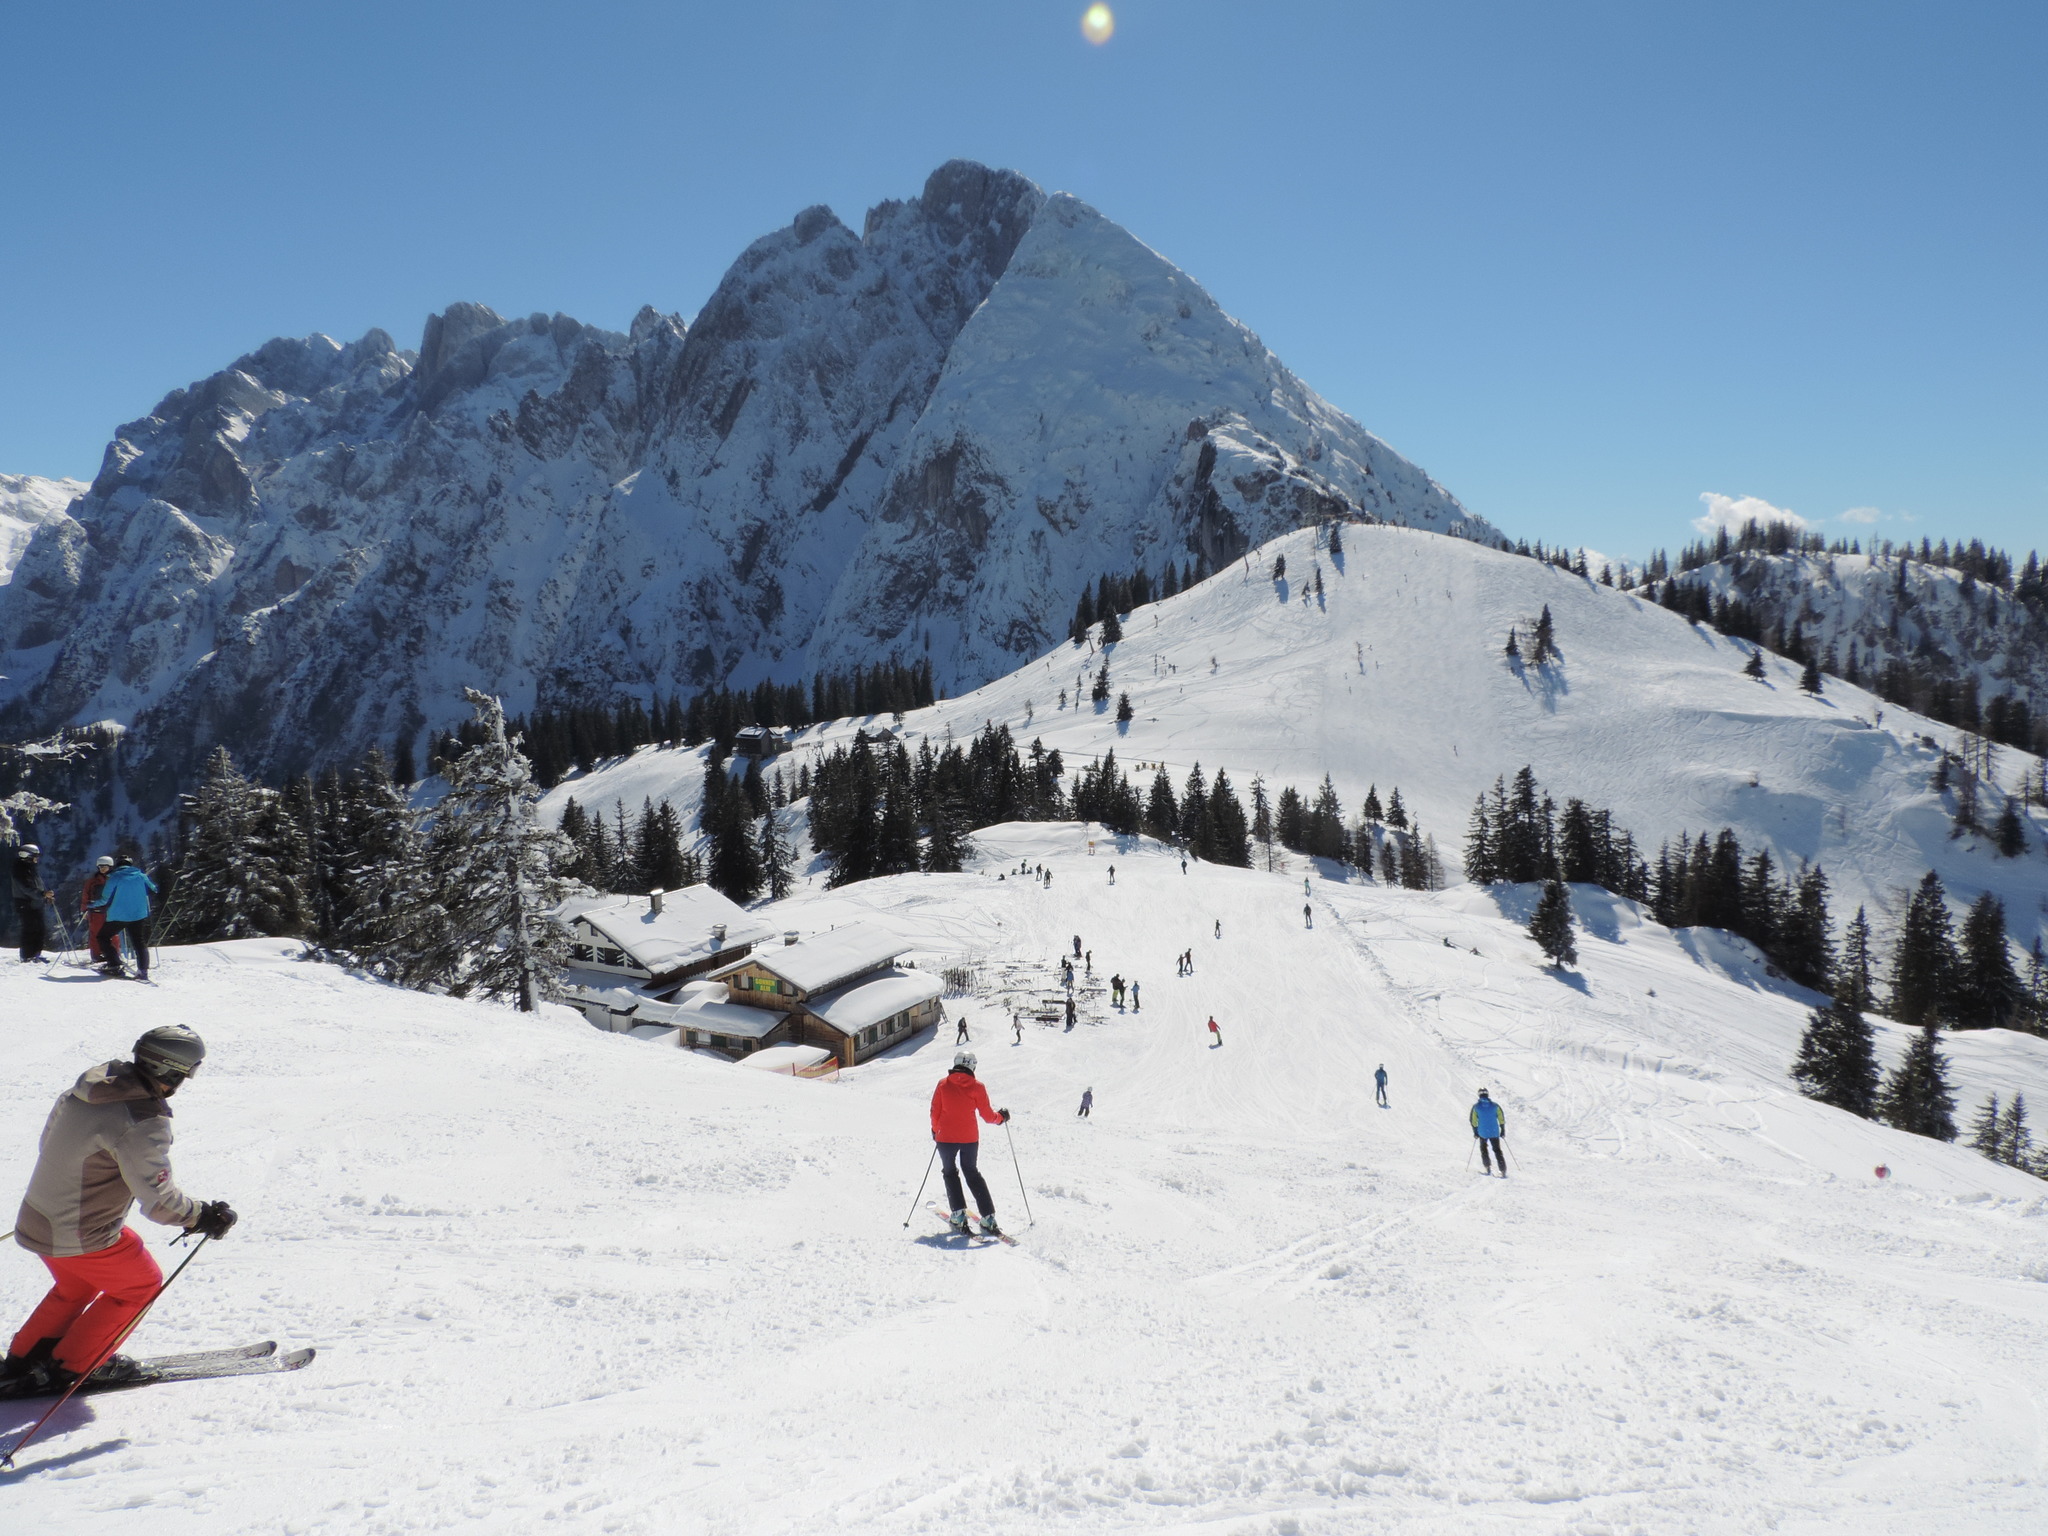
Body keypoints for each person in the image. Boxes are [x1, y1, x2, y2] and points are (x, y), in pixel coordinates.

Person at [1, 1027, 238, 1396]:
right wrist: (200, 1216)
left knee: (76, 1285)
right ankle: (75, 1366)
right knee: (139, 1284)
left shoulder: (89, 1088)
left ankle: (25, 1357)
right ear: (172, 1072)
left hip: (37, 1217)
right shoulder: (142, 1120)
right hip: (79, 1232)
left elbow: (47, 1140)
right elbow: (158, 1201)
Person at [929, 1052, 1008, 1237]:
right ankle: (988, 1218)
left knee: (950, 1172)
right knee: (971, 1173)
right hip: (969, 1138)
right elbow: (988, 1116)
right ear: (972, 1066)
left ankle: (958, 1214)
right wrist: (1001, 1118)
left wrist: (935, 1130)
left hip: (945, 1137)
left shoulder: (943, 1084)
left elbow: (935, 1111)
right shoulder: (977, 1087)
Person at [92, 854, 158, 980]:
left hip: (118, 916)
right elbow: (153, 889)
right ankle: (143, 971)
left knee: (103, 937)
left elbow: (105, 899)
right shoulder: (141, 875)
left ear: (117, 865)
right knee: (139, 942)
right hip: (138, 915)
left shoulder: (114, 877)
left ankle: (115, 965)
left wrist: (92, 905)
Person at [11, 843, 56, 963]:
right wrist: (42, 894)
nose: (37, 859)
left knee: (39, 929)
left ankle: (36, 954)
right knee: (30, 929)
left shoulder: (30, 868)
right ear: (27, 856)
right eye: (35, 856)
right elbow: (26, 888)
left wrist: (44, 895)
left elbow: (37, 885)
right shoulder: (20, 869)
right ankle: (27, 956)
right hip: (26, 904)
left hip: (35, 903)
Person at [81, 855, 114, 966]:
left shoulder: (115, 879)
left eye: (104, 867)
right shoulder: (92, 881)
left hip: (111, 911)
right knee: (95, 934)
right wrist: (85, 909)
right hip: (96, 912)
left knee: (113, 935)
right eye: (100, 867)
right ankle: (96, 955)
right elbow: (86, 895)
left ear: (110, 866)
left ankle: (113, 955)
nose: (102, 869)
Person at [1470, 1088, 1507, 1176]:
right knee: (1497, 1150)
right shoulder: (1495, 1106)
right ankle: (1502, 1169)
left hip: (1482, 1132)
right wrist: (1502, 1130)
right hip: (1494, 1132)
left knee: (1484, 1149)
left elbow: (1473, 1121)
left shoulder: (1476, 1107)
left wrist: (1475, 1132)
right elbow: (1501, 1118)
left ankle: (1487, 1166)